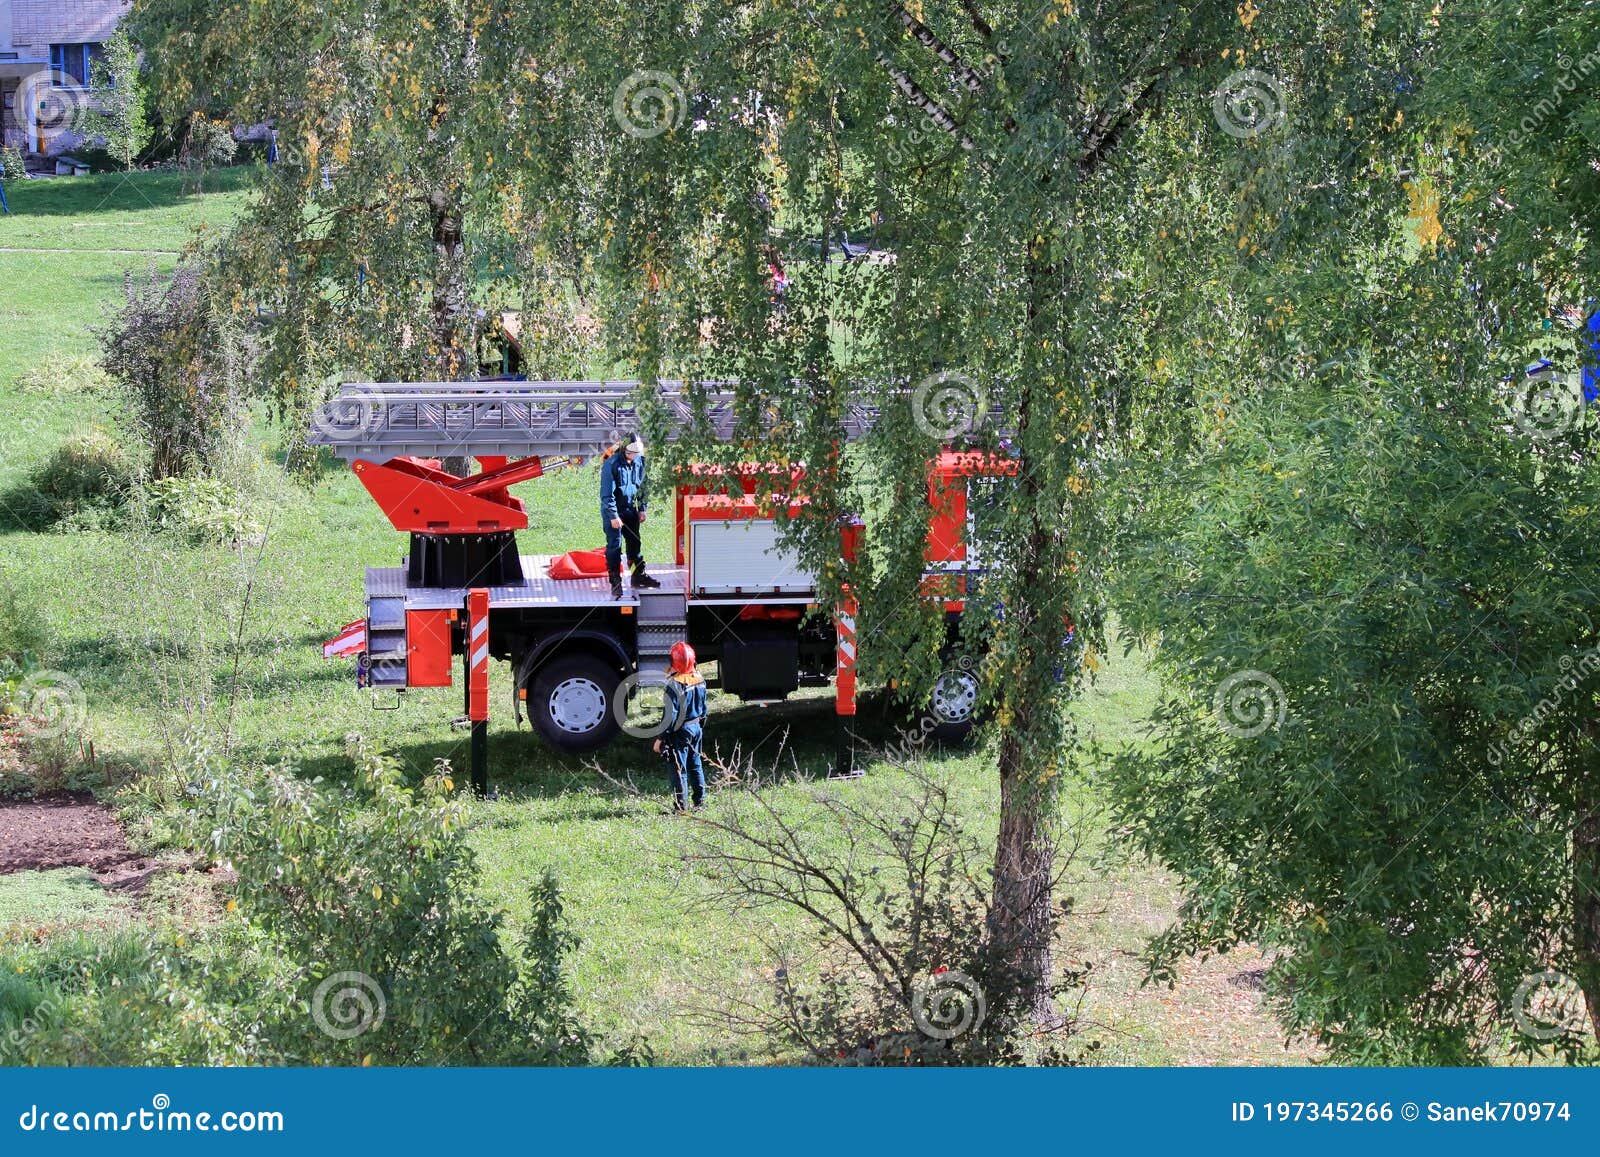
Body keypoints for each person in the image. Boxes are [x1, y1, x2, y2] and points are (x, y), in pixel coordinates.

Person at [600, 433, 661, 599]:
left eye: (636, 453)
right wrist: (613, 516)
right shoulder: (611, 465)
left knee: (634, 544)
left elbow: (643, 485)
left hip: (630, 510)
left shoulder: (640, 461)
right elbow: (607, 495)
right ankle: (615, 581)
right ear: (624, 450)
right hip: (613, 511)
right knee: (614, 546)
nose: (634, 456)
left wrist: (642, 508)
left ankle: (637, 576)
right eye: (631, 453)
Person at [653, 642, 707, 810]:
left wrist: (660, 739)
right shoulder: (700, 679)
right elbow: (704, 708)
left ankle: (681, 808)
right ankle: (700, 802)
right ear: (693, 661)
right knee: (695, 764)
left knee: (679, 768)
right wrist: (699, 727)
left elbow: (670, 716)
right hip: (696, 727)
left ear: (672, 662)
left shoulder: (674, 685)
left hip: (681, 731)